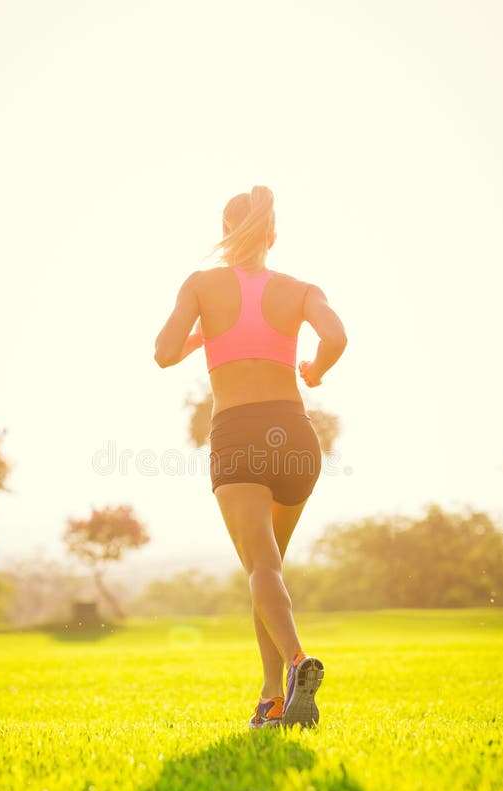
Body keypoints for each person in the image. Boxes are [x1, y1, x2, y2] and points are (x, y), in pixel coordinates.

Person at [154, 185, 347, 728]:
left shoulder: (201, 285)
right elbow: (336, 336)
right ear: (273, 235)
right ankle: (271, 700)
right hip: (296, 436)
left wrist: (200, 338)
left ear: (225, 231)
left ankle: (297, 661)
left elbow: (163, 353)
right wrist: (316, 371)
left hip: (238, 434)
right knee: (269, 571)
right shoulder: (301, 289)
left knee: (262, 568)